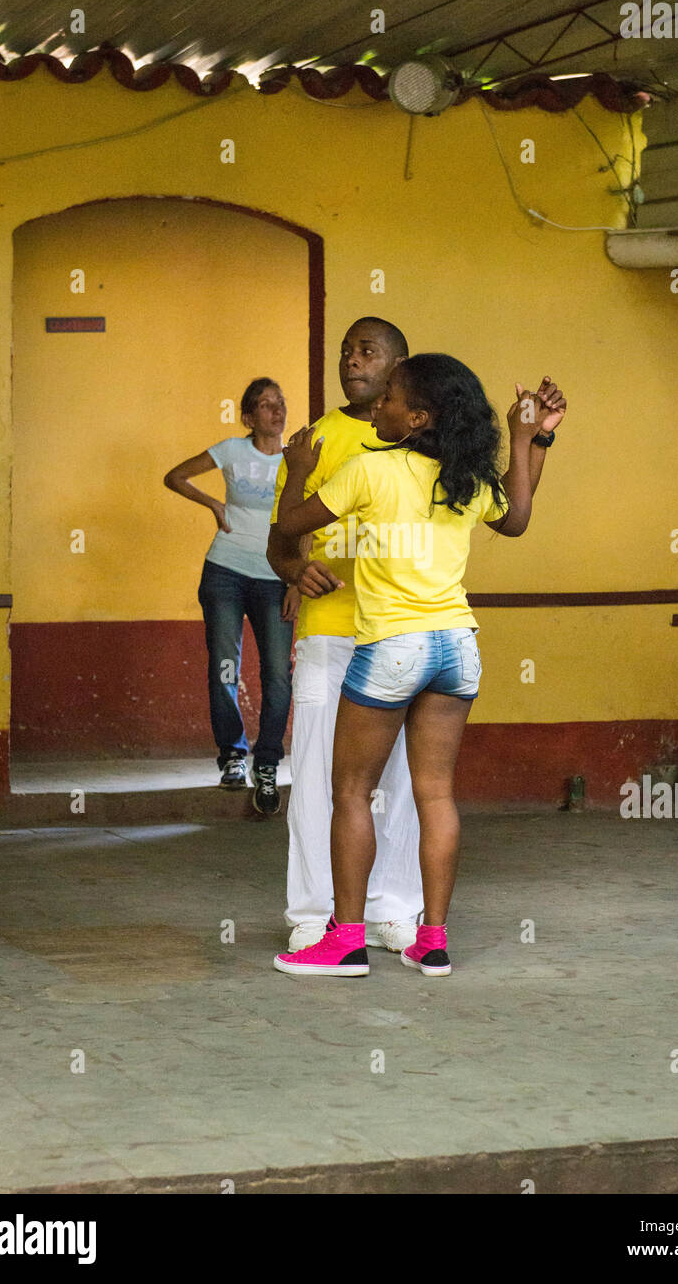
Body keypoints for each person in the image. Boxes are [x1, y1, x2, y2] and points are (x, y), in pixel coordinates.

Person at [271, 355, 566, 977]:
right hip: (457, 647)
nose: (377, 407)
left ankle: (345, 941)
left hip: (392, 647)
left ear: (418, 418)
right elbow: (516, 516)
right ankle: (431, 940)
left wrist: (296, 469)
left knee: (350, 791)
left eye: (390, 401)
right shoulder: (464, 479)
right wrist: (529, 436)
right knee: (436, 794)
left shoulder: (369, 470)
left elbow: (289, 526)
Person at [266, 318, 424, 953]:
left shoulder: (421, 440)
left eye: (367, 351)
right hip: (328, 634)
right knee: (312, 771)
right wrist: (293, 570)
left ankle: (392, 906)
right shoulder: (315, 441)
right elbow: (278, 543)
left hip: (395, 633)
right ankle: (311, 909)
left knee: (398, 779)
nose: (351, 361)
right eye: (346, 352)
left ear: (398, 365)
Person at [163, 379, 298, 817]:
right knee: (225, 666)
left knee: (279, 675)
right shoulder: (231, 451)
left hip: (276, 577)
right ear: (247, 417)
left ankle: (268, 762)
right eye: (265, 405)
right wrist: (214, 505)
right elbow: (175, 476)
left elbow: (307, 524)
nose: (276, 412)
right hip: (225, 572)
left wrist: (297, 580)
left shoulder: (297, 461)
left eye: (280, 404)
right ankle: (233, 756)